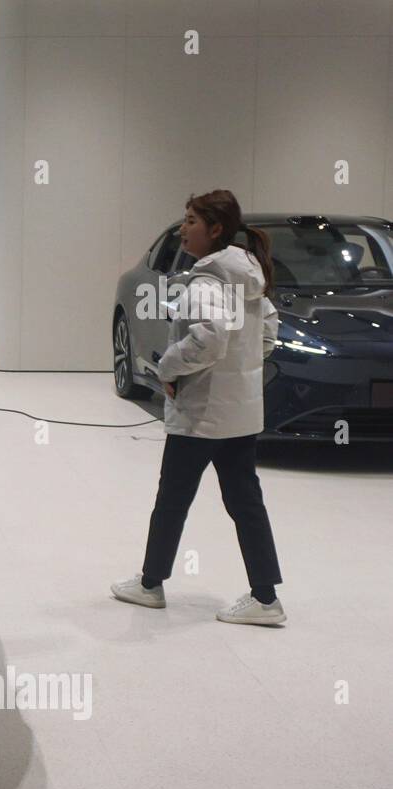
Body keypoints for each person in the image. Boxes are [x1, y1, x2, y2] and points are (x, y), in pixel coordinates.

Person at [112, 189, 285, 626]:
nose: (184, 228)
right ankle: (266, 598)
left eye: (192, 220)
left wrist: (168, 368)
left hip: (201, 414)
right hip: (239, 414)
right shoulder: (250, 277)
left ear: (215, 229)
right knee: (246, 503)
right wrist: (237, 372)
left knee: (171, 500)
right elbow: (265, 338)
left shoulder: (208, 280)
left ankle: (150, 585)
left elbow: (209, 338)